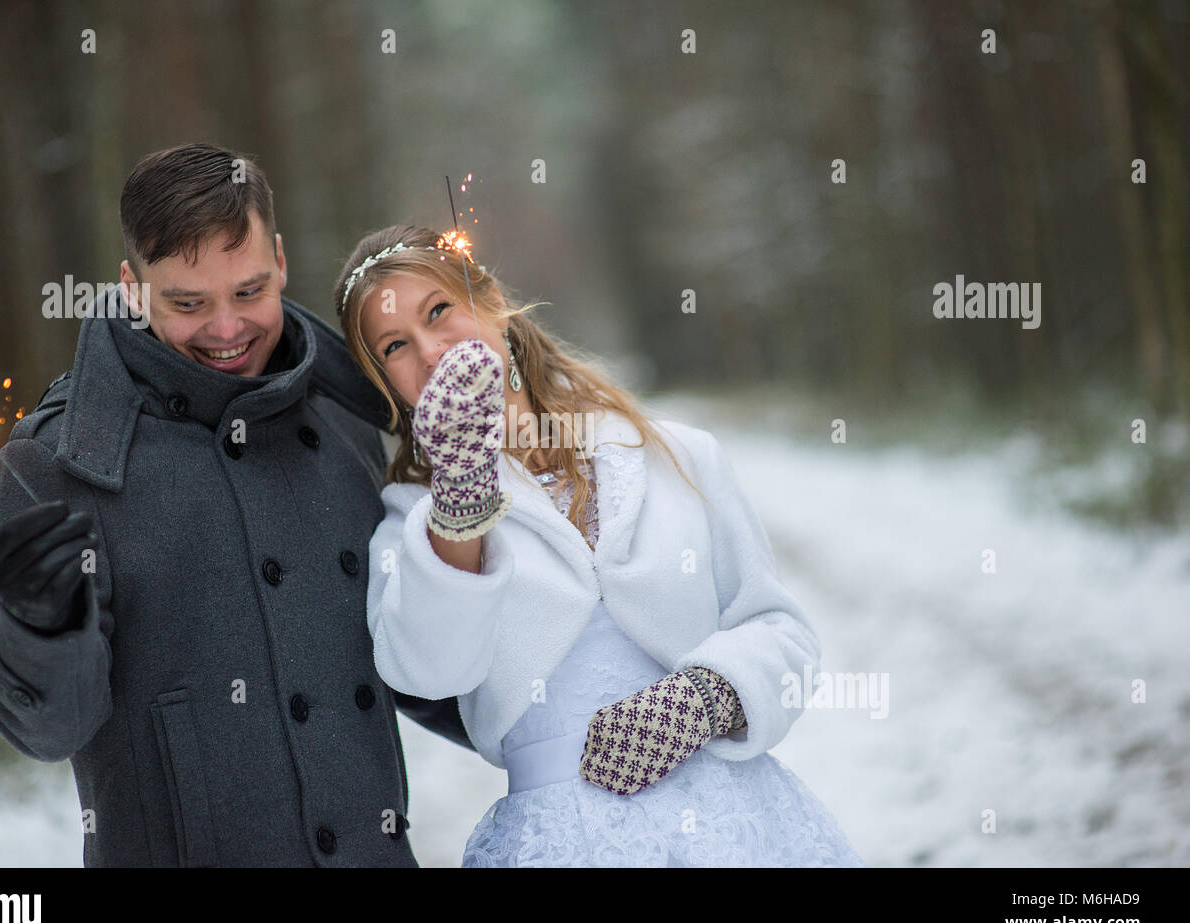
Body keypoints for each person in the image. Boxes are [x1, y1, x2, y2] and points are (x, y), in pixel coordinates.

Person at [0, 145, 473, 867]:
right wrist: (37, 629)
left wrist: (563, 717)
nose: (227, 328)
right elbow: (48, 730)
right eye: (188, 303)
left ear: (279, 259)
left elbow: (419, 657)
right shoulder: (55, 465)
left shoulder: (351, 417)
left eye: (248, 292)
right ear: (131, 287)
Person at [332, 224, 867, 866]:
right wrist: (460, 510)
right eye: (395, 344)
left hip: (739, 826)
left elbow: (782, 633)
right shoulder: (413, 520)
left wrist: (708, 697)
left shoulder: (679, 456)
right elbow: (428, 669)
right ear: (387, 382)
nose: (430, 350)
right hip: (565, 843)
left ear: (492, 301)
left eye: (439, 310)